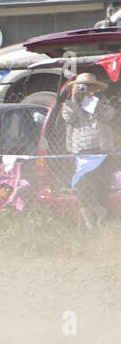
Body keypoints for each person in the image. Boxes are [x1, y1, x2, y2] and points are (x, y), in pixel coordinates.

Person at [59, 72, 117, 229]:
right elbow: (68, 117)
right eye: (83, 86)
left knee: (102, 184)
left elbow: (110, 115)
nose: (86, 89)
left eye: (90, 86)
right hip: (82, 150)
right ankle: (88, 223)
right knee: (84, 185)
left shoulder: (101, 101)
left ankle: (101, 221)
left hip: (102, 148)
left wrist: (94, 101)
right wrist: (73, 97)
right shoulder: (70, 104)